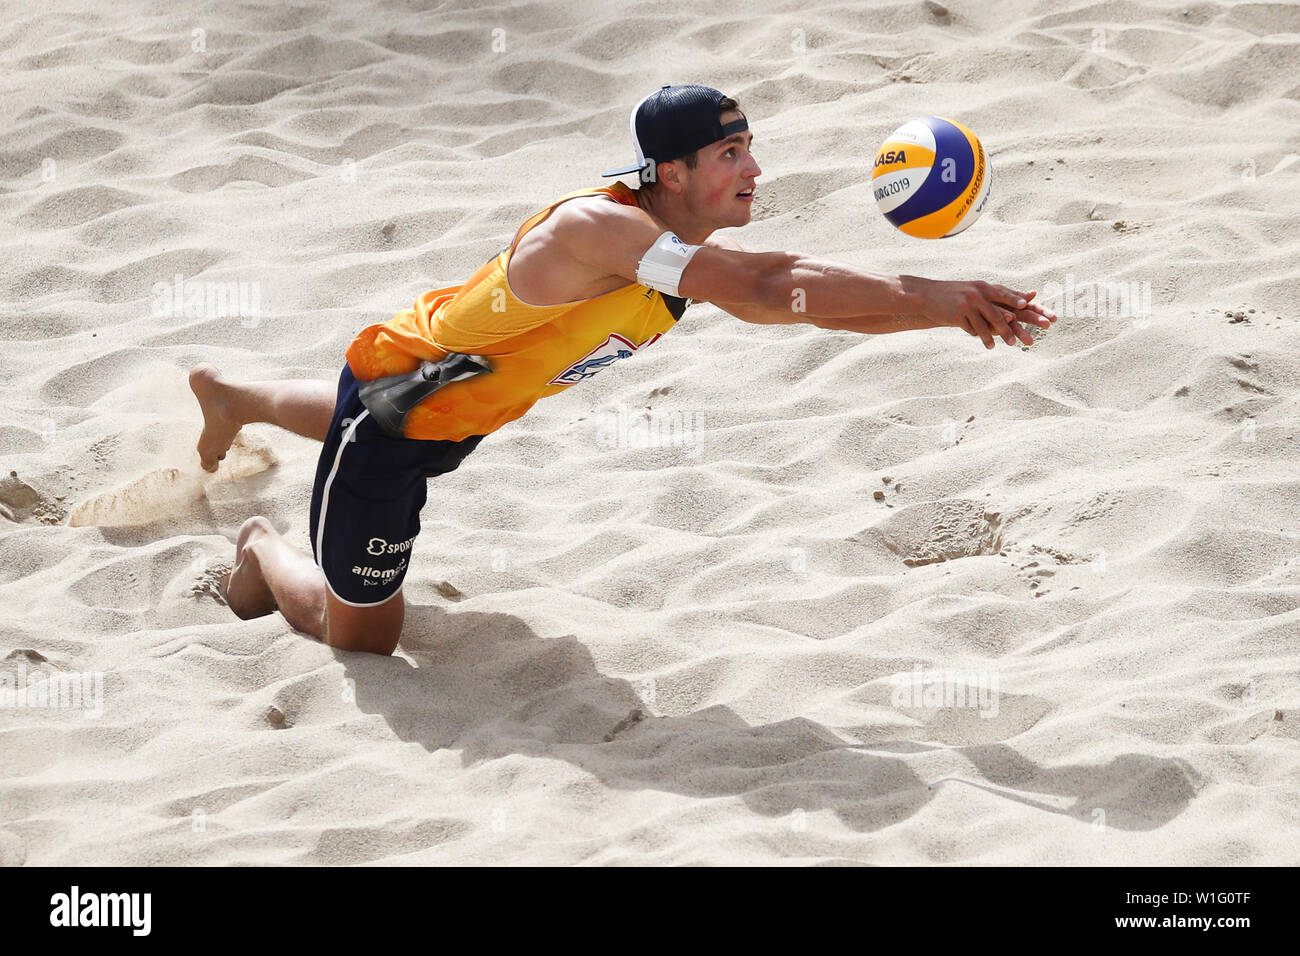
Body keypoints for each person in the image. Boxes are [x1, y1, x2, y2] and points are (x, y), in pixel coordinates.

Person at [190, 83, 1056, 655]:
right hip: (393, 421)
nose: (755, 168)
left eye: (750, 146)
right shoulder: (593, 233)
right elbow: (764, 286)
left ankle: (233, 395)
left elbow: (789, 291)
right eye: (731, 155)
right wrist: (933, 295)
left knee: (396, 405)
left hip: (457, 401)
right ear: (670, 172)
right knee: (365, 641)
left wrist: (938, 305)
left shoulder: (678, 244)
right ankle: (263, 547)